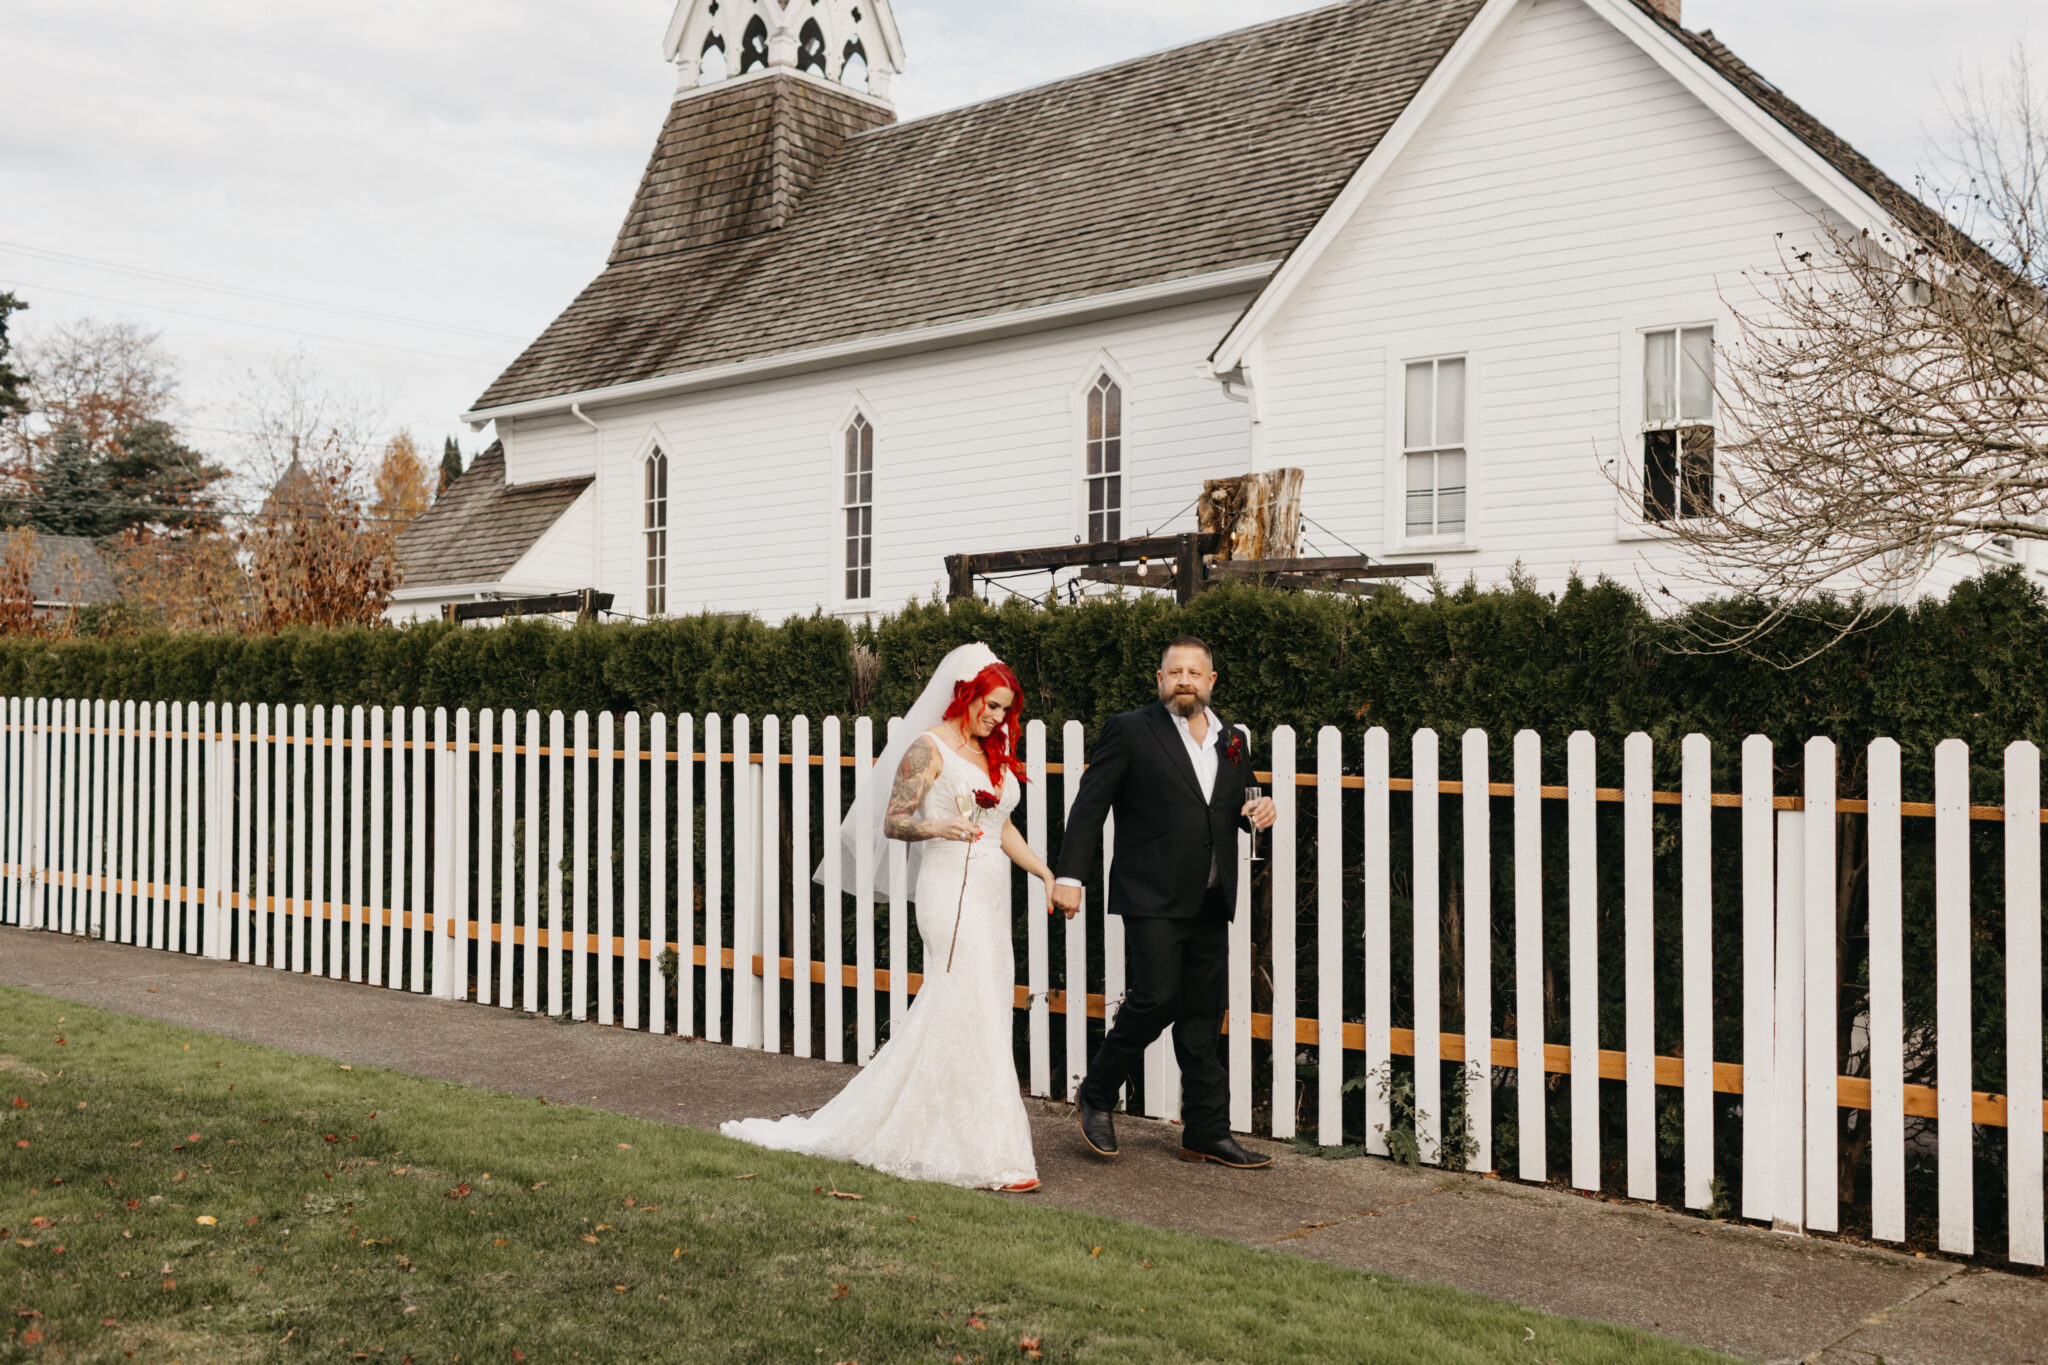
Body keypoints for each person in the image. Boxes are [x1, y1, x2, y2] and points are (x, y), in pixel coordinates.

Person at [721, 643, 1056, 1192]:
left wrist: (1043, 873)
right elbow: (894, 822)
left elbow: (1002, 827)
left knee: (985, 1007)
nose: (996, 718)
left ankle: (945, 1129)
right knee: (965, 998)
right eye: (989, 706)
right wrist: (938, 828)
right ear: (965, 696)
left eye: (1004, 709)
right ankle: (999, 1155)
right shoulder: (928, 749)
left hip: (991, 891)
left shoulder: (988, 752)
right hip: (948, 892)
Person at [1050, 635, 1278, 1168]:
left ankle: (1205, 1131)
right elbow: (1090, 806)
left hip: (1211, 896)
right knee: (1155, 998)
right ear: (1160, 680)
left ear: (1211, 681)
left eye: (1194, 673)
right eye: (1175, 672)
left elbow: (1243, 795)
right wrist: (1069, 876)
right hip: (1151, 892)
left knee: (1202, 1015)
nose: (1184, 681)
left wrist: (1264, 806)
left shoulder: (1234, 738)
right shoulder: (1131, 729)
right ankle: (1098, 1092)